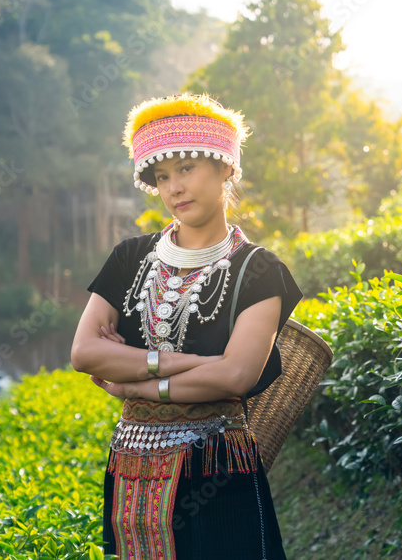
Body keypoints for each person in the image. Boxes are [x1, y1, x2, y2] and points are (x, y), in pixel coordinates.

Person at [70, 93, 302, 559]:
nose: (174, 187)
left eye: (187, 168)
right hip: (132, 464)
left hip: (218, 470)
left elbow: (236, 376)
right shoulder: (129, 257)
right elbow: (85, 354)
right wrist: (184, 363)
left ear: (225, 167)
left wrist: (132, 382)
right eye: (162, 176)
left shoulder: (259, 270)